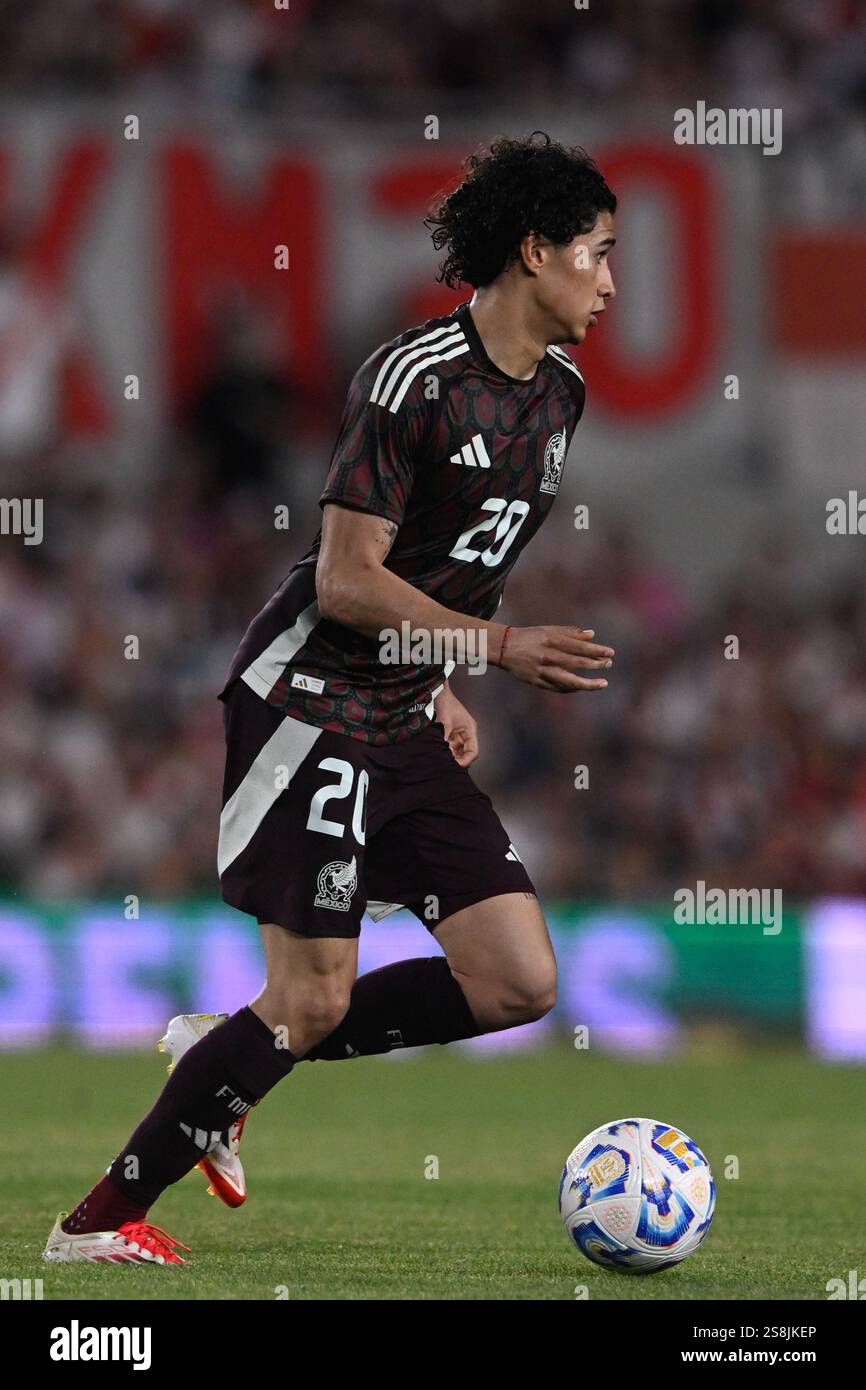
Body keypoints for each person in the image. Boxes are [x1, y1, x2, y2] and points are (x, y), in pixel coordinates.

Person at [44, 131, 617, 1265]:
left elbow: (448, 561)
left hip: (401, 704)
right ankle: (95, 1225)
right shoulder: (409, 381)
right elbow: (349, 579)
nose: (609, 283)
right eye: (597, 255)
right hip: (309, 699)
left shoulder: (559, 398)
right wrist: (494, 649)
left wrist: (443, 670)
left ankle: (236, 1046)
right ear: (533, 251)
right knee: (308, 997)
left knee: (515, 979)